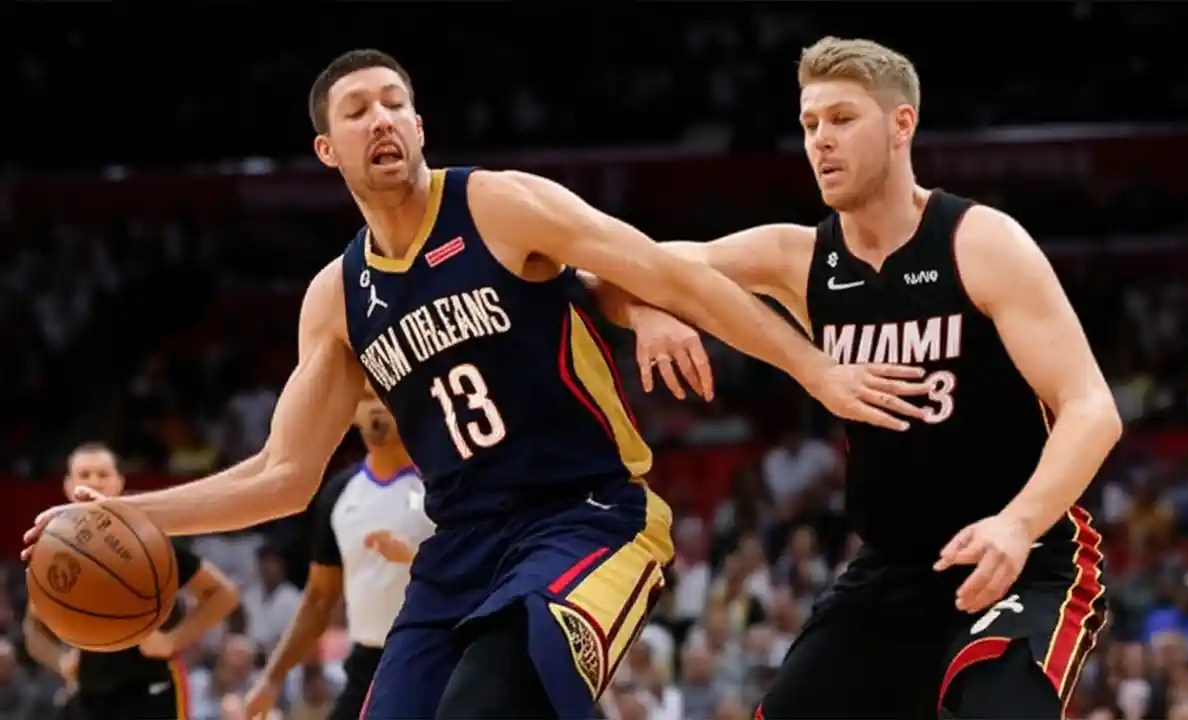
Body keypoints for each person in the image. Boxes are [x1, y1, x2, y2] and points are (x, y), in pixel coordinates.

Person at [25, 49, 930, 719]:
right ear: (326, 148)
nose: (381, 119)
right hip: (460, 548)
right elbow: (282, 475)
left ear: (420, 126)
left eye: (396, 104)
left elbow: (668, 273)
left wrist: (813, 368)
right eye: (358, 110)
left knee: (488, 706)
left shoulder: (499, 204)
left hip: (588, 516)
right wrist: (138, 517)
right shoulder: (336, 299)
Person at [592, 37, 1123, 718]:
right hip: (895, 566)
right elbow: (605, 271)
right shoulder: (796, 255)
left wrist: (1016, 525)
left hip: (1028, 555)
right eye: (810, 124)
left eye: (842, 120)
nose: (820, 141)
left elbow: (1091, 408)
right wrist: (648, 311)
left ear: (902, 125)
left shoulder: (980, 241)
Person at [243, 385, 436, 719]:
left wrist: (416, 557)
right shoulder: (339, 492)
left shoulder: (441, 481)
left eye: (383, 394)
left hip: (435, 654)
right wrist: (272, 679)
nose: (375, 406)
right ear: (350, 412)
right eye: (364, 397)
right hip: (366, 662)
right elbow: (319, 597)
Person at [24, 443, 239, 720]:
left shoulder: (150, 543)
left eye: (103, 474)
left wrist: (174, 640)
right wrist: (61, 662)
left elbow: (224, 593)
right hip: (89, 694)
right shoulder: (56, 551)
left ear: (120, 482)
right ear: (68, 484)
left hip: (150, 689)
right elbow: (33, 626)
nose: (93, 481)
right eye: (84, 474)